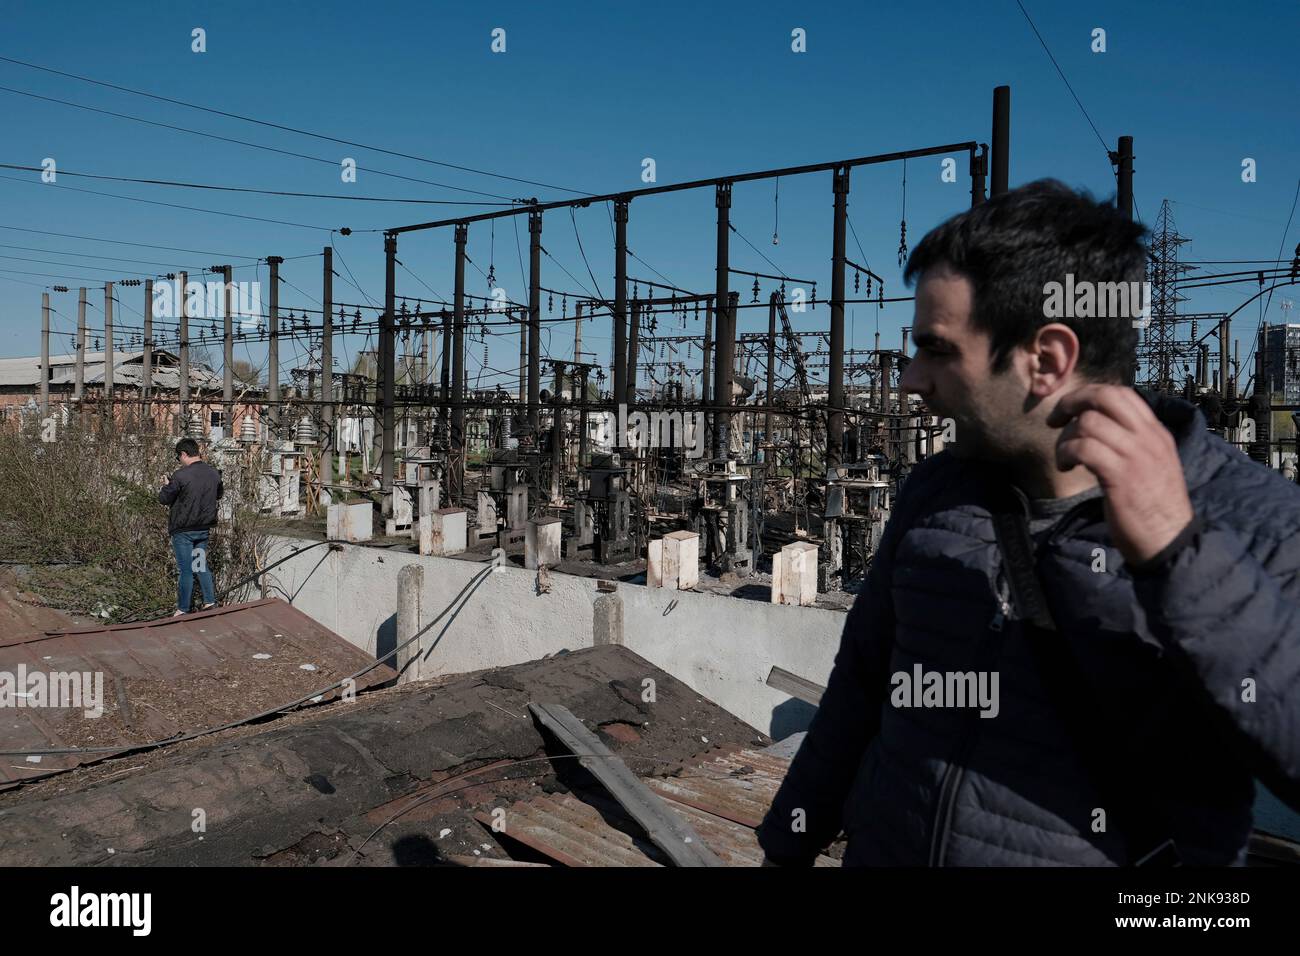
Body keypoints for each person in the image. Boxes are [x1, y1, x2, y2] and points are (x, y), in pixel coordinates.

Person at [757, 180, 1300, 866]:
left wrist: (1181, 553)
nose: (910, 381)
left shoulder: (1258, 523)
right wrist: (787, 845)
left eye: (938, 349)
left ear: (1046, 361)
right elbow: (859, 689)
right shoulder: (937, 490)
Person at [159, 438, 223, 616]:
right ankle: (209, 601)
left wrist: (166, 485)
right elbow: (218, 495)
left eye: (179, 457)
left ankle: (183, 608)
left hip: (184, 531)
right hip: (202, 530)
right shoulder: (214, 473)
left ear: (184, 454)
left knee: (186, 570)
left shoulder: (180, 475)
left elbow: (164, 499)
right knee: (200, 565)